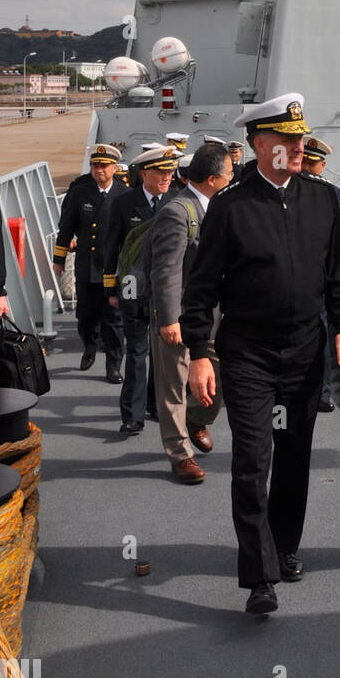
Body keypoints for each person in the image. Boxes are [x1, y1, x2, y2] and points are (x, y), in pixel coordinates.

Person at [181, 92, 340, 615]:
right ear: (260, 145)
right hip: (249, 354)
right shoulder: (231, 208)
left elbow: (339, 276)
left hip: (306, 351)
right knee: (252, 460)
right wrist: (199, 352)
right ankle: (260, 576)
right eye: (286, 139)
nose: (297, 147)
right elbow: (200, 289)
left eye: (300, 138)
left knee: (295, 457)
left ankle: (284, 547)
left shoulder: (323, 199)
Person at [149, 144, 232, 484]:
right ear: (213, 179)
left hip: (212, 317)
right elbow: (166, 271)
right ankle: (180, 454)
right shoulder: (177, 212)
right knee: (173, 388)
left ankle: (197, 419)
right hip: (178, 318)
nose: (232, 178)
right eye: (229, 173)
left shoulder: (219, 208)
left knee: (220, 382)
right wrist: (169, 319)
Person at [103, 145, 178, 435]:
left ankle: (154, 404)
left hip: (166, 291)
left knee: (163, 353)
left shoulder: (177, 200)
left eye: (170, 171)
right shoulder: (124, 204)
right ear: (144, 172)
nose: (167, 177)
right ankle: (132, 415)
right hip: (133, 288)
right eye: (161, 172)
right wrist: (111, 287)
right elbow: (111, 248)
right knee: (136, 351)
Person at [53, 144, 126, 381]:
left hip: (114, 267)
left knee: (114, 320)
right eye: (95, 165)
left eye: (104, 166)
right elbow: (66, 228)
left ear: (114, 168)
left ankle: (113, 365)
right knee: (86, 315)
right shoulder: (80, 193)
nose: (99, 170)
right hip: (87, 265)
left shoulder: (125, 194)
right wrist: (59, 258)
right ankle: (90, 347)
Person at [301, 136, 340, 414]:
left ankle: (320, 392)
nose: (311, 167)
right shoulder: (325, 191)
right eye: (308, 161)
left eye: (314, 163)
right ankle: (318, 392)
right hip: (307, 275)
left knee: (319, 336)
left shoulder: (329, 193)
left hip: (314, 274)